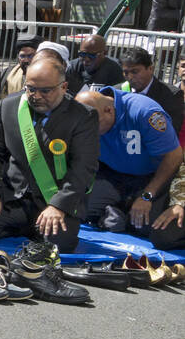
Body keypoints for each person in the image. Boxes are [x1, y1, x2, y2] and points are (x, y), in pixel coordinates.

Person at [0, 52, 99, 252]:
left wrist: (59, 205)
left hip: (53, 199)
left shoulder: (83, 117)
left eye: (45, 91)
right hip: (14, 198)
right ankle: (26, 228)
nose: (36, 96)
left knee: (59, 243)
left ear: (63, 87)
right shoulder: (8, 106)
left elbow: (83, 168)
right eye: (30, 89)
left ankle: (36, 227)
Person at [74, 86, 182, 233]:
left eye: (92, 124)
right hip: (112, 175)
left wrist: (147, 196)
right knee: (80, 210)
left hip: (150, 176)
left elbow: (174, 155)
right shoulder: (84, 119)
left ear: (109, 110)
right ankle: (118, 210)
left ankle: (123, 211)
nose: (86, 129)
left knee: (147, 224)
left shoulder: (144, 112)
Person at [118, 46, 184, 138]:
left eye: (135, 71)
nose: (130, 77)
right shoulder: (117, 93)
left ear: (150, 69)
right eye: (126, 72)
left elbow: (170, 134)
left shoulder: (171, 95)